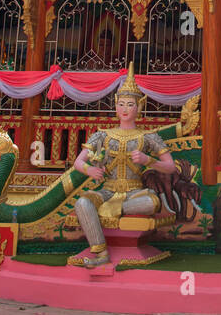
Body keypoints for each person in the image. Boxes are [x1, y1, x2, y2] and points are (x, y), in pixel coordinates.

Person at [67, 68, 178, 268]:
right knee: (82, 204)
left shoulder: (148, 137)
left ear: (138, 108)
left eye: (130, 104)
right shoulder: (102, 135)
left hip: (135, 193)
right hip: (108, 191)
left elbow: (170, 167)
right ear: (115, 107)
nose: (125, 109)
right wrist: (90, 170)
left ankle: (112, 210)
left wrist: (148, 160)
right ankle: (100, 252)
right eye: (121, 104)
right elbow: (78, 162)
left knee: (151, 202)